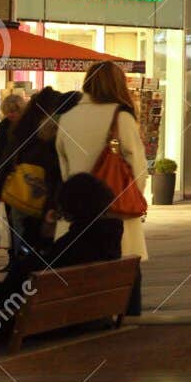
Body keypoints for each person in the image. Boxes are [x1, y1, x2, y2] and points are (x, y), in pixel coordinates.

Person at [0, 173, 124, 351]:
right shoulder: (105, 237)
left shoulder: (79, 239)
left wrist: (43, 237)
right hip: (67, 318)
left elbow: (26, 271)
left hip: (23, 317)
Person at [56, 62, 148, 314]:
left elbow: (65, 173)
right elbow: (138, 169)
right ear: (117, 85)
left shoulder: (67, 118)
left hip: (74, 223)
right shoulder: (121, 118)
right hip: (116, 217)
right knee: (128, 279)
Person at [0, 88, 66, 267]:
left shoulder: (21, 130)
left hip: (22, 194)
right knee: (35, 241)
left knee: (23, 235)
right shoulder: (55, 132)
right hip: (42, 199)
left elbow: (2, 165)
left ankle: (20, 265)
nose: (11, 114)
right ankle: (23, 265)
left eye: (15, 110)